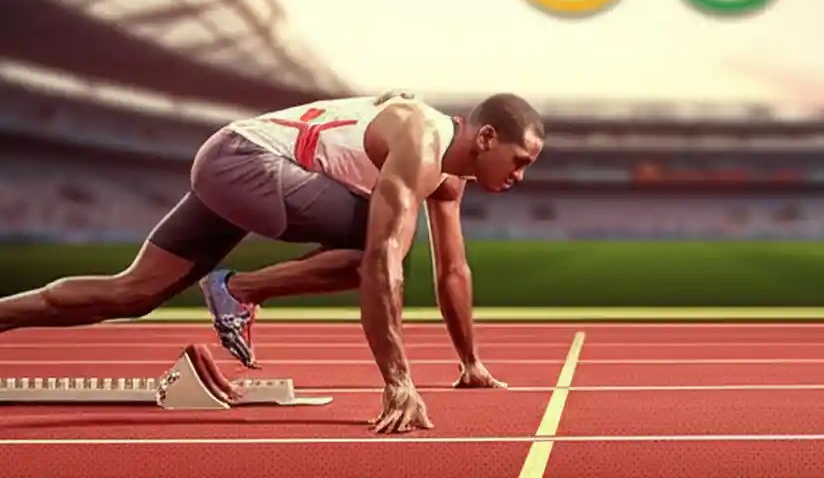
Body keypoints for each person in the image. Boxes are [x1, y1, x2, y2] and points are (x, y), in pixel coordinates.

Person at [0, 90, 545, 433]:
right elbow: (381, 262)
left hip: (232, 163)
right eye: (519, 161)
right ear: (487, 137)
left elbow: (454, 270)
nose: (519, 176)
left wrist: (470, 363)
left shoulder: (449, 178)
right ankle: (237, 290)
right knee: (382, 241)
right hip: (248, 163)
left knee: (133, 293)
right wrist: (398, 381)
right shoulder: (420, 140)